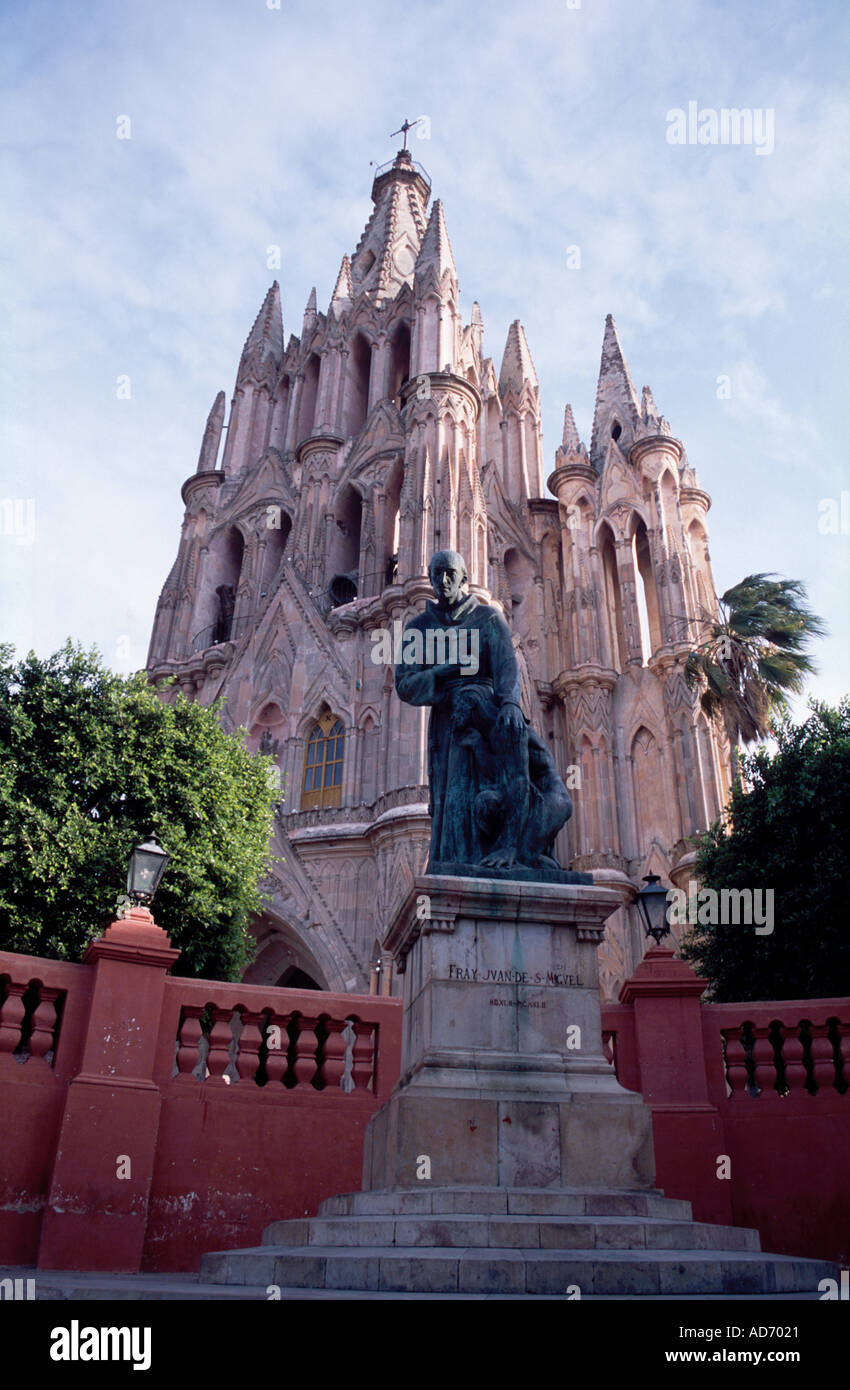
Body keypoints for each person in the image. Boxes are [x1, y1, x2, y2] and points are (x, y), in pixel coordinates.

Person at [394, 549, 571, 873]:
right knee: (454, 800)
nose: (444, 580)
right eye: (437, 574)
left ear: (463, 578)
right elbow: (405, 685)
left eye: (450, 573)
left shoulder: (489, 618)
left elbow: (507, 668)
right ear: (430, 580)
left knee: (503, 782)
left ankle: (512, 852)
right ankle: (456, 867)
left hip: (488, 712)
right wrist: (444, 672)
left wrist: (509, 705)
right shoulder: (418, 628)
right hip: (450, 723)